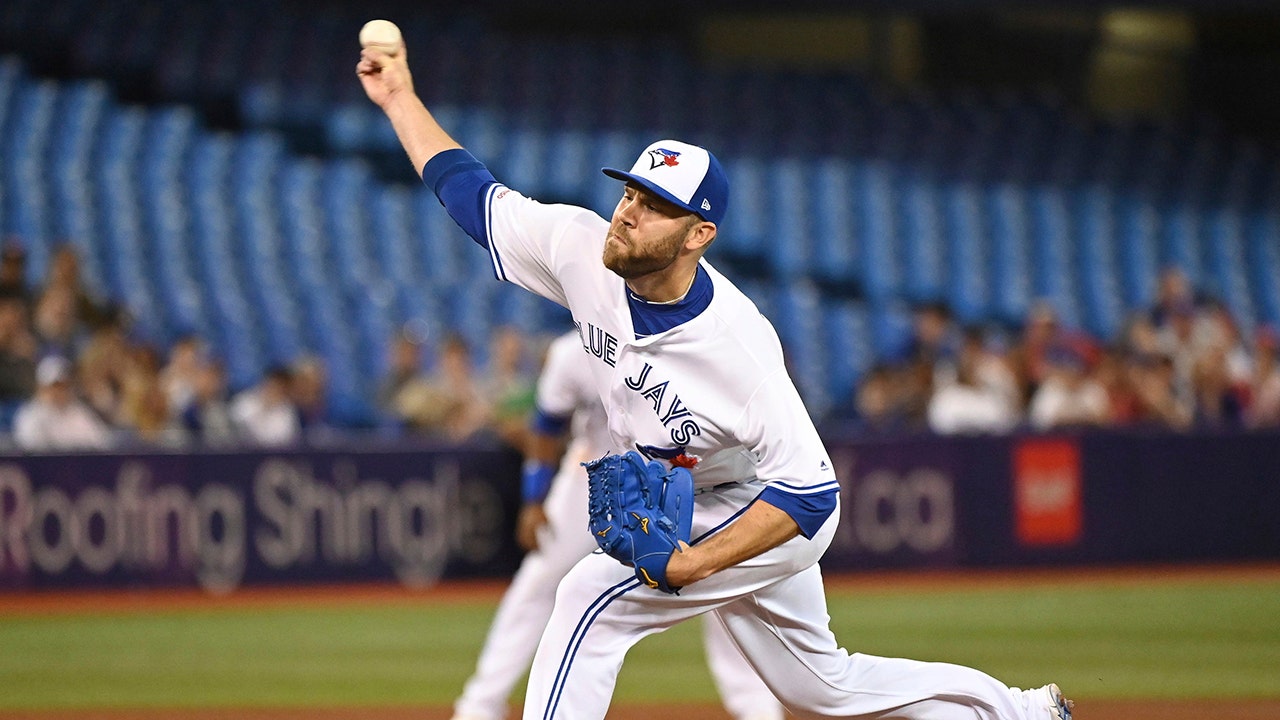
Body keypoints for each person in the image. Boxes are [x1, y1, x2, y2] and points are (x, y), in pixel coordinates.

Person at [358, 35, 1073, 720]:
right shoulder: (581, 250)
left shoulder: (738, 350)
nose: (628, 213)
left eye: (654, 206)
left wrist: (695, 561)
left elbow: (813, 494)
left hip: (772, 506)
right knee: (820, 687)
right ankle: (1016, 711)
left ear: (699, 234)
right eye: (630, 193)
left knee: (587, 598)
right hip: (704, 488)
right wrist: (399, 100)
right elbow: (470, 195)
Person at [452, 331, 783, 720]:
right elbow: (546, 424)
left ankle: (758, 710)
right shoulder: (572, 354)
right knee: (541, 580)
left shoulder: (690, 341)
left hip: (689, 479)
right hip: (595, 476)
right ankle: (479, 706)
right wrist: (534, 497)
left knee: (726, 588)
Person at [13, 355, 114, 451]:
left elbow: (102, 444)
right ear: (41, 387)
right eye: (55, 386)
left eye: (64, 386)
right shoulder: (30, 414)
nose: (59, 391)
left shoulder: (79, 412)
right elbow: (32, 450)